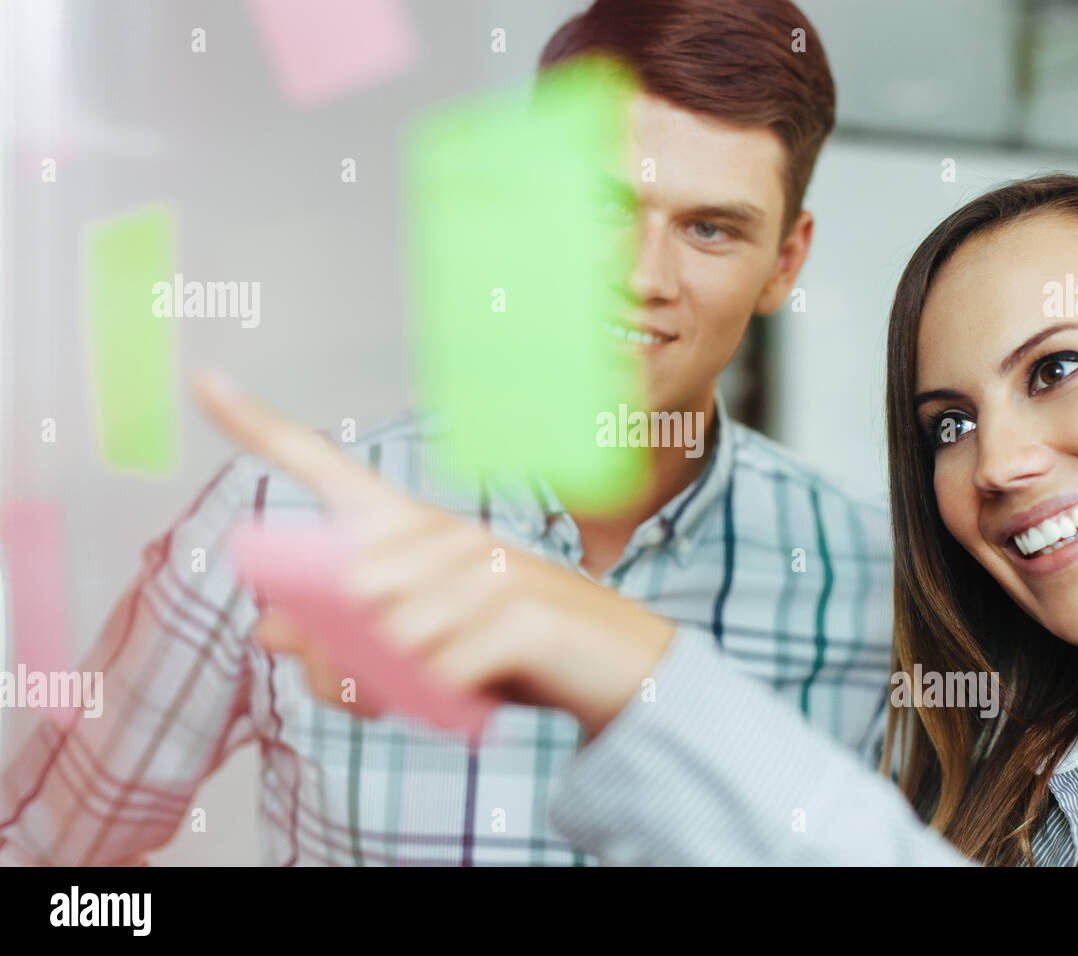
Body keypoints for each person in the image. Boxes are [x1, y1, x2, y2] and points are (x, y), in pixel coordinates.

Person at [0, 0, 896, 866]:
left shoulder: (876, 581)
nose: (641, 275)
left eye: (709, 229)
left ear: (786, 263)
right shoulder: (283, 509)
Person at [203, 169, 1078, 866]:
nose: (998, 461)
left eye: (1058, 366)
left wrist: (625, 659)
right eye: (946, 424)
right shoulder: (1011, 796)